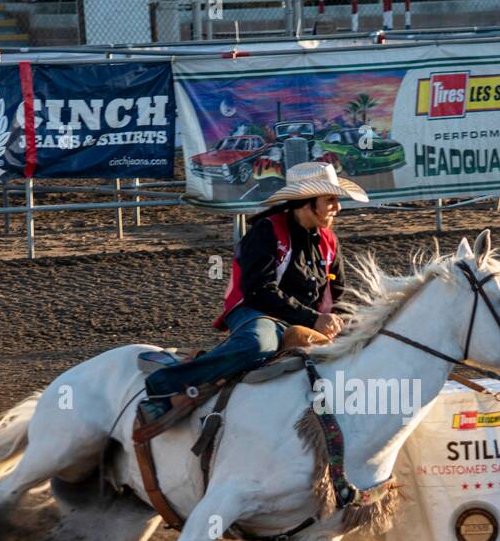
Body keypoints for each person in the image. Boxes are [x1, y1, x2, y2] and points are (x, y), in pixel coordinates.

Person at [139, 161, 368, 426]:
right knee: (258, 345)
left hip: (302, 319)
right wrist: (313, 318)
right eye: (330, 200)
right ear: (307, 202)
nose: (337, 208)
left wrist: (339, 319)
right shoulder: (267, 231)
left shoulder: (329, 241)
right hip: (257, 311)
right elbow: (259, 290)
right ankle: (165, 382)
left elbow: (338, 293)